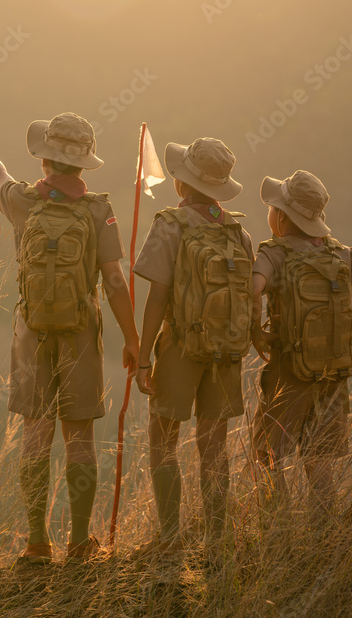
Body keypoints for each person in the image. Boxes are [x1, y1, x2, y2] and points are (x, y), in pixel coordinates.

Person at [0, 112, 140, 564]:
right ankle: (81, 542)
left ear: (44, 160)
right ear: (85, 164)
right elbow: (116, 282)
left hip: (32, 331)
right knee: (80, 436)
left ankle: (36, 543)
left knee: (35, 433)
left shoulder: (23, 201)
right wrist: (134, 340)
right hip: (81, 330)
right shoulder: (99, 210)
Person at [249, 170, 352, 520]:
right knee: (318, 462)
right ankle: (323, 538)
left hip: (290, 371)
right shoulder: (341, 253)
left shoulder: (275, 254)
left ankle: (277, 529)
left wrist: (256, 332)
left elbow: (254, 288)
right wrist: (350, 329)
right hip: (333, 371)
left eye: (273, 207)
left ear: (282, 217)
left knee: (268, 453)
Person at [133, 137, 253, 558]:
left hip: (180, 346)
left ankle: (169, 541)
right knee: (214, 445)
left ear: (182, 185)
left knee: (164, 439)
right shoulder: (238, 231)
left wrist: (144, 355)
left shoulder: (170, 223)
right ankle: (217, 542)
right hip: (226, 352)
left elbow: (157, 298)